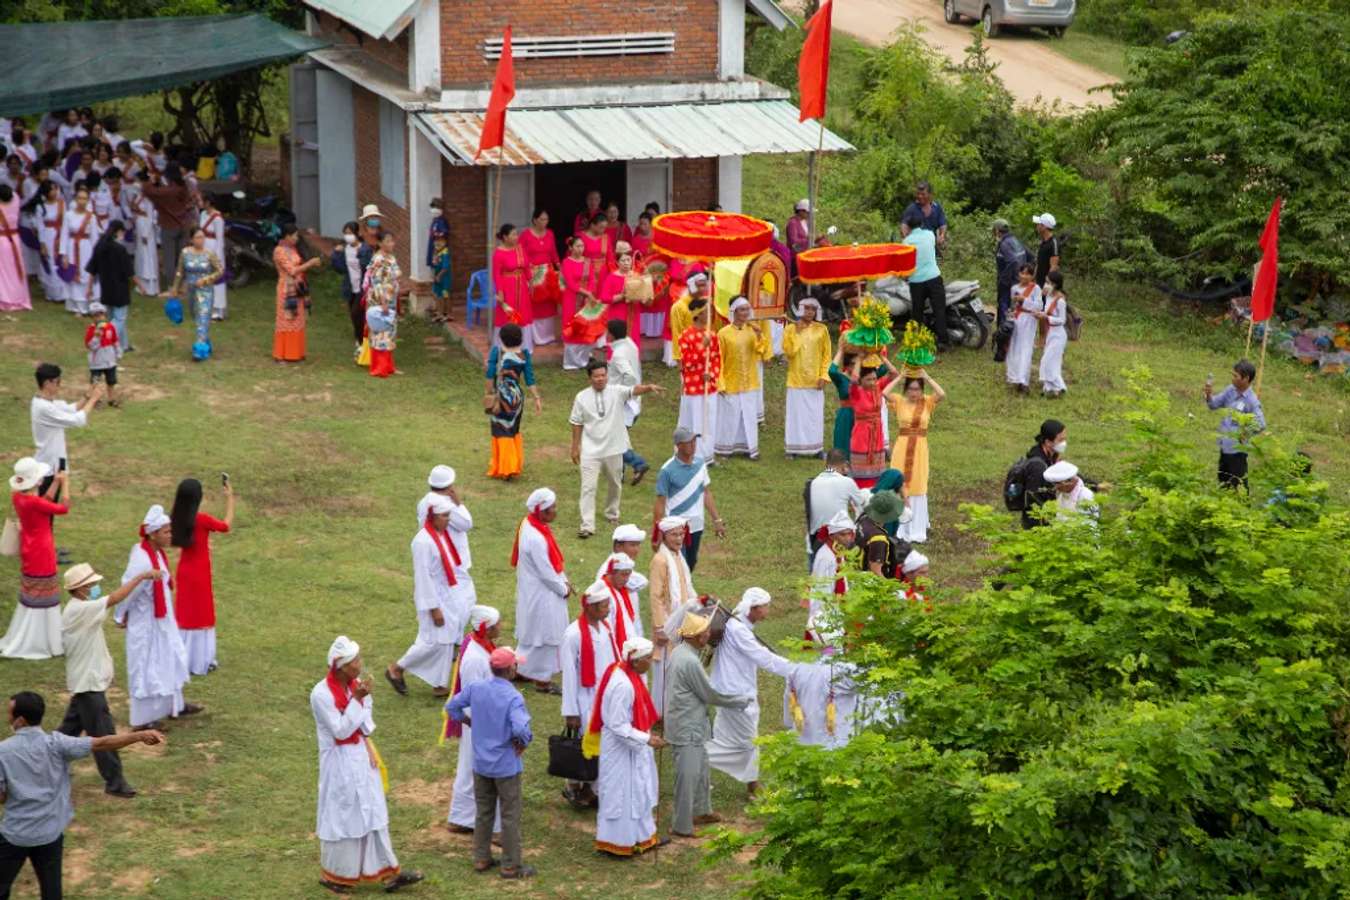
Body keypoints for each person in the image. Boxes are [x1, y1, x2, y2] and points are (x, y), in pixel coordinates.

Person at [0, 691, 163, 899]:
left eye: (9, 713)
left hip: (16, 835)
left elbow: (1, 796)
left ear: (20, 720)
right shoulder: (57, 744)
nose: (8, 718)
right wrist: (139, 736)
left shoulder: (3, 752)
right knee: (52, 890)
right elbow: (101, 743)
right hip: (50, 832)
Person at [312, 636, 423, 894]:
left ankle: (389, 872)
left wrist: (361, 699)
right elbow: (339, 731)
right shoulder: (320, 694)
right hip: (339, 763)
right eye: (355, 662)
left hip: (362, 755)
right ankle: (337, 875)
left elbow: (366, 725)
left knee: (373, 813)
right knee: (345, 815)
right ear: (340, 666)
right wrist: (357, 701)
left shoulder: (356, 686)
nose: (360, 665)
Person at [58, 562, 161, 797]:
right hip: (89, 686)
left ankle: (46, 765)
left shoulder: (82, 608)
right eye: (92, 585)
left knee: (66, 734)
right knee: (105, 737)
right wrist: (141, 577)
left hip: (86, 684)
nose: (95, 588)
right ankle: (115, 783)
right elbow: (114, 598)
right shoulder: (78, 610)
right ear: (81, 588)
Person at [445, 646, 535, 880]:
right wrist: (523, 741)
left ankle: (481, 857)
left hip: (481, 764)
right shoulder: (513, 697)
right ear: (511, 669)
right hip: (506, 766)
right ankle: (511, 865)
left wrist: (469, 722)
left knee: (483, 812)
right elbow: (520, 728)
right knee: (509, 814)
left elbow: (451, 707)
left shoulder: (476, 689)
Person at [665, 613, 751, 838]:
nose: (708, 633)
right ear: (693, 636)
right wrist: (739, 701)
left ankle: (702, 811)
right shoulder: (689, 661)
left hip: (692, 724)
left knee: (701, 770)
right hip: (687, 728)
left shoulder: (682, 653)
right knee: (688, 776)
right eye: (704, 631)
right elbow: (709, 694)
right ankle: (681, 825)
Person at [706, 588, 793, 795]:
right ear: (754, 608)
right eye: (766, 606)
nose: (768, 610)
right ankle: (753, 787)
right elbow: (763, 657)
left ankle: (698, 766)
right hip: (735, 693)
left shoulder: (738, 624)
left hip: (729, 689)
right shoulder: (739, 630)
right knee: (749, 740)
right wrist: (793, 669)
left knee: (727, 738)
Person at [585, 637, 666, 858]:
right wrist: (646, 739)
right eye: (648, 659)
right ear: (637, 661)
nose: (651, 662)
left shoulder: (631, 675)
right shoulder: (622, 684)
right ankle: (618, 842)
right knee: (622, 795)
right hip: (621, 749)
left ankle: (642, 837)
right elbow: (617, 724)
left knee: (638, 791)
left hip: (633, 744)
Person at [568, 359, 664, 539]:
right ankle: (587, 525)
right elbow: (576, 422)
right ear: (590, 378)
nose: (600, 379)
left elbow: (634, 390)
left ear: (607, 376)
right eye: (596, 376)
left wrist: (649, 387)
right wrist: (575, 446)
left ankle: (612, 513)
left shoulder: (616, 391)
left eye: (603, 375)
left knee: (615, 483)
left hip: (613, 448)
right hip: (590, 450)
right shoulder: (581, 397)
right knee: (588, 487)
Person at [386, 496, 463, 698]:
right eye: (445, 516)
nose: (448, 520)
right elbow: (423, 577)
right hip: (432, 597)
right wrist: (434, 607)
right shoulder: (422, 541)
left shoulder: (440, 535)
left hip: (446, 594)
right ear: (433, 517)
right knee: (431, 641)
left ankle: (439, 684)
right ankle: (396, 668)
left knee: (446, 640)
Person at [444, 605, 502, 838]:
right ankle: (489, 826)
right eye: (497, 624)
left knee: (469, 767)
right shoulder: (475, 659)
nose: (501, 627)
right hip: (480, 723)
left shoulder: (481, 647)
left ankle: (461, 817)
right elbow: (472, 696)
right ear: (486, 629)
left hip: (481, 721)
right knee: (482, 769)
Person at [2, 459, 69, 659]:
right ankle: (46, 639)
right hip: (43, 550)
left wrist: (55, 482)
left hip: (29, 548)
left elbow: (44, 502)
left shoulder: (19, 498)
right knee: (46, 593)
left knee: (32, 592)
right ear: (37, 481)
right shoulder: (34, 502)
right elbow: (63, 508)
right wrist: (65, 483)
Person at [560, 584, 618, 810]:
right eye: (604, 606)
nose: (608, 610)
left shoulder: (605, 627)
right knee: (586, 745)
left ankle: (592, 789)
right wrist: (571, 711)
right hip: (584, 698)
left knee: (603, 745)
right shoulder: (573, 634)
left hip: (605, 696)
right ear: (591, 607)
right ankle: (579, 788)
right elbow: (569, 675)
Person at [170, 477, 234, 676]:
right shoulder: (202, 520)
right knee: (202, 615)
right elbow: (226, 525)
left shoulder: (174, 520)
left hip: (184, 571)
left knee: (185, 614)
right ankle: (202, 660)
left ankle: (183, 657)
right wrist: (230, 498)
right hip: (200, 572)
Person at [511, 489, 572, 692]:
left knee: (532, 635)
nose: (556, 511)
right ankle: (542, 680)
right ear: (541, 512)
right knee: (546, 636)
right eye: (551, 508)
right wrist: (563, 588)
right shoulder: (535, 537)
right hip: (543, 593)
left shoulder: (530, 523)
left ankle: (520, 669)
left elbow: (550, 565)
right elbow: (546, 572)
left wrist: (563, 579)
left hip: (534, 590)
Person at [653, 426, 726, 573]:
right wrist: (658, 532)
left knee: (690, 564)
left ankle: (680, 593)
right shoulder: (667, 470)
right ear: (679, 445)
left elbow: (706, 493)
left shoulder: (700, 464)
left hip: (696, 526)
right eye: (689, 442)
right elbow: (660, 502)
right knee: (680, 567)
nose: (693, 445)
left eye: (694, 441)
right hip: (676, 528)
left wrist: (717, 520)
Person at [884, 370, 945, 543]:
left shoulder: (927, 402)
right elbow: (884, 393)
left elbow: (941, 394)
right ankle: (899, 527)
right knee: (899, 480)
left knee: (918, 483)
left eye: (917, 389)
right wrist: (901, 376)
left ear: (921, 390)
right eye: (910, 389)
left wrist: (927, 377)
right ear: (906, 390)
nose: (914, 393)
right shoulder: (899, 401)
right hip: (902, 446)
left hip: (919, 448)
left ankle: (917, 527)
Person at [30, 363, 102, 509]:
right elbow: (76, 420)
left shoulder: (45, 402)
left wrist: (87, 396)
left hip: (52, 463)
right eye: (57, 382)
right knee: (46, 510)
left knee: (49, 510)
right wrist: (93, 400)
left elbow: (70, 409)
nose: (59, 385)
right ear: (47, 383)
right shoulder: (44, 407)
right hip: (47, 467)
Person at [647, 516, 696, 715]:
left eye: (681, 534)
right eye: (674, 535)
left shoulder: (677, 557)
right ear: (665, 536)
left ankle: (673, 710)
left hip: (681, 620)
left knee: (677, 668)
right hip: (667, 623)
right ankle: (661, 713)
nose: (678, 539)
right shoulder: (660, 560)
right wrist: (660, 627)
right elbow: (656, 596)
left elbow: (686, 586)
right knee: (665, 671)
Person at [715, 297, 772, 460]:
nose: (745, 312)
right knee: (730, 416)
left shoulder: (753, 330)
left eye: (747, 309)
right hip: (730, 381)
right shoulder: (723, 333)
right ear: (734, 312)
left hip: (750, 381)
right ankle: (726, 449)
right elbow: (718, 360)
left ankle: (751, 450)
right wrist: (720, 382)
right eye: (742, 309)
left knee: (748, 416)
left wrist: (760, 335)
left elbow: (762, 351)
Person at [1204, 359, 1266, 491]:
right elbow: (1214, 404)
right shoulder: (1231, 390)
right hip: (1224, 446)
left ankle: (1244, 508)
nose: (1233, 378)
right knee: (1223, 482)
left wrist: (1245, 434)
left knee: (1239, 485)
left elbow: (1261, 423)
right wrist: (1209, 395)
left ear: (1246, 378)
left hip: (1237, 451)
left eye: (1236, 376)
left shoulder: (1251, 401)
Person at [782, 297, 833, 458]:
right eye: (806, 308)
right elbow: (789, 352)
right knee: (795, 415)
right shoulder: (790, 329)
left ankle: (816, 449)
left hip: (815, 381)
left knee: (814, 416)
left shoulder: (822, 329)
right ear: (799, 309)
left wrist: (824, 376)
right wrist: (797, 332)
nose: (809, 312)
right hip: (796, 380)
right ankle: (793, 449)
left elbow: (827, 355)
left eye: (812, 309)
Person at [164, 226, 223, 361]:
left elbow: (220, 270)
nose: (201, 240)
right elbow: (180, 271)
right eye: (198, 237)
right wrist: (175, 288)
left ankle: (199, 351)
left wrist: (206, 279)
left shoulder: (209, 254)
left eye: (203, 237)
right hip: (191, 291)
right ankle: (205, 342)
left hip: (205, 291)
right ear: (191, 239)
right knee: (197, 318)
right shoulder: (185, 253)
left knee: (203, 316)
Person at [842, 354, 900, 488]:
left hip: (877, 433)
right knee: (861, 470)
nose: (873, 382)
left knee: (877, 469)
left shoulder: (878, 388)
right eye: (869, 379)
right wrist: (859, 361)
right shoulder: (856, 391)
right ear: (861, 381)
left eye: (874, 378)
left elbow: (894, 373)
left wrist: (883, 357)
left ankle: (875, 494)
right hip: (862, 434)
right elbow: (854, 379)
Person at [676, 299, 721, 462]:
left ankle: (708, 453)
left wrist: (712, 374)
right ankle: (693, 454)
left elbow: (716, 358)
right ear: (697, 314)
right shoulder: (685, 336)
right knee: (695, 420)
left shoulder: (712, 335)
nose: (709, 315)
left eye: (710, 311)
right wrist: (703, 347)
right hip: (693, 386)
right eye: (705, 311)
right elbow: (686, 361)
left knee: (709, 419)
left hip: (709, 385)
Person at [605, 319, 650, 485]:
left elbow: (629, 376)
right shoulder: (630, 344)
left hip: (623, 404)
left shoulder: (618, 355)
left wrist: (622, 394)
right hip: (633, 401)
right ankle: (619, 473)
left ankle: (638, 463)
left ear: (611, 334)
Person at [804, 449, 866, 566]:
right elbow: (863, 505)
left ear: (825, 464)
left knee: (816, 582)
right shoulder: (847, 482)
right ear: (845, 465)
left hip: (814, 542)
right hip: (839, 541)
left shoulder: (812, 483)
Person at [86, 223, 139, 359]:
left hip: (106, 289)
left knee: (114, 317)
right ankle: (106, 338)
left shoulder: (99, 247)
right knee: (119, 319)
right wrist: (141, 286)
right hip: (120, 289)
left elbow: (92, 270)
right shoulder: (120, 249)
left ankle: (124, 345)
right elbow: (129, 272)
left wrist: (89, 287)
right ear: (118, 232)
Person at [273, 223, 321, 364]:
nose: (296, 238)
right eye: (294, 235)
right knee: (286, 319)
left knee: (298, 319)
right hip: (286, 288)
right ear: (287, 236)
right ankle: (281, 354)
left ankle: (296, 353)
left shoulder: (292, 248)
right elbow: (292, 270)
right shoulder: (279, 251)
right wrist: (310, 263)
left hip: (297, 287)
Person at [902, 211, 950, 349]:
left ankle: (917, 341)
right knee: (939, 310)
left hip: (916, 282)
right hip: (934, 278)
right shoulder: (930, 235)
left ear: (909, 227)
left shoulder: (906, 242)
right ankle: (943, 342)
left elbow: (906, 264)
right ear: (921, 224)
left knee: (917, 312)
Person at [141, 163, 192, 286]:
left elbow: (147, 190)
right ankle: (183, 284)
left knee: (169, 259)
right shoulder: (183, 188)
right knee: (182, 257)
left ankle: (172, 286)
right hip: (183, 226)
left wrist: (152, 181)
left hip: (169, 227)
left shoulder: (167, 192)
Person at [559, 235, 604, 370]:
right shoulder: (566, 262)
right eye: (578, 246)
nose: (580, 249)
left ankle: (584, 359)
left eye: (582, 246)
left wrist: (589, 292)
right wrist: (586, 293)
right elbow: (570, 283)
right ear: (571, 248)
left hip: (586, 298)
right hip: (572, 297)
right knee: (572, 325)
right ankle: (571, 362)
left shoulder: (587, 262)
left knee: (585, 326)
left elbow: (591, 280)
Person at [520, 208, 560, 345]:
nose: (545, 222)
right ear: (535, 220)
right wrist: (527, 272)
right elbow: (521, 254)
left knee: (548, 303)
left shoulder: (550, 234)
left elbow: (553, 252)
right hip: (533, 274)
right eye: (542, 219)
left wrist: (559, 267)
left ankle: (548, 336)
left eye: (546, 219)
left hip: (548, 273)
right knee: (534, 304)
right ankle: (535, 337)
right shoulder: (525, 235)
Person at [364, 231, 402, 377]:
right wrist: (383, 302)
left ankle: (389, 366)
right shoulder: (378, 259)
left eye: (392, 240)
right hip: (381, 300)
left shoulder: (391, 258)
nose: (391, 243)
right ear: (380, 243)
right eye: (388, 241)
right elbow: (377, 283)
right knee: (381, 333)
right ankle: (380, 368)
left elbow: (396, 275)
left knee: (390, 332)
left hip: (391, 298)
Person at [58, 184, 100, 314]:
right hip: (72, 247)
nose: (82, 201)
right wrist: (63, 253)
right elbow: (64, 234)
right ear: (75, 199)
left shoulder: (91, 217)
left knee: (86, 273)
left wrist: (96, 255)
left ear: (88, 200)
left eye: (85, 198)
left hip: (86, 248)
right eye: (80, 198)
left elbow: (95, 237)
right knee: (74, 274)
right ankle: (76, 306)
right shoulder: (69, 215)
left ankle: (88, 304)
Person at [330, 221, 372, 352]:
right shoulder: (345, 249)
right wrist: (336, 255)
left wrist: (359, 254)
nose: (347, 236)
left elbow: (367, 267)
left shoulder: (365, 249)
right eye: (345, 234)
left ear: (357, 233)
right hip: (350, 287)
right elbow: (340, 268)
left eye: (350, 233)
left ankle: (361, 342)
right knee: (355, 316)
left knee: (356, 314)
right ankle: (360, 340)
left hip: (362, 287)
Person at [808, 510, 855, 623]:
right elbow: (822, 590)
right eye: (843, 534)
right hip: (826, 613)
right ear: (832, 536)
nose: (848, 538)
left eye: (849, 533)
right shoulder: (826, 557)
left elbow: (843, 580)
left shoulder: (838, 551)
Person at [1020, 418, 1068, 529]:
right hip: (1037, 522)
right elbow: (1033, 496)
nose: (1064, 443)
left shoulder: (1052, 457)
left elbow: (1069, 474)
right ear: (1048, 442)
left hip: (1048, 516)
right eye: (1060, 440)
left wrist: (1095, 486)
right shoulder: (1037, 466)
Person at [492, 223, 532, 351]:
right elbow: (496, 274)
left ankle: (524, 346)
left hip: (522, 286)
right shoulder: (498, 253)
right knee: (507, 314)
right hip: (507, 286)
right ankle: (504, 346)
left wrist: (530, 281)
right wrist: (500, 291)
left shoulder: (520, 248)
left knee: (523, 314)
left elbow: (526, 266)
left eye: (516, 234)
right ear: (505, 237)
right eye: (513, 234)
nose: (516, 237)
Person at [1005, 264, 1042, 392]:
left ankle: (1023, 380)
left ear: (1032, 276)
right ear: (1019, 274)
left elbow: (1039, 306)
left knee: (1026, 349)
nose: (1024, 276)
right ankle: (1014, 376)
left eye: (1028, 274)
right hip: (1017, 319)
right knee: (1015, 348)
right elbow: (1012, 306)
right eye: (1023, 273)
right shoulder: (1014, 288)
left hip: (1029, 320)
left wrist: (1024, 300)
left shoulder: (1036, 288)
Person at [81, 302, 121, 408]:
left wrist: (118, 351)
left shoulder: (110, 327)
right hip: (97, 362)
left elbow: (115, 340)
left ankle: (111, 399)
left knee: (111, 381)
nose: (99, 318)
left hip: (110, 361)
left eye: (101, 314)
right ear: (92, 317)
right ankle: (96, 400)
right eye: (95, 315)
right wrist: (96, 337)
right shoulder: (91, 330)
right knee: (95, 382)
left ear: (105, 315)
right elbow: (90, 346)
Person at [126, 171, 158, 303]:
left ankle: (151, 286)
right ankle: (142, 285)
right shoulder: (137, 197)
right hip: (139, 227)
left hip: (146, 228)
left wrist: (146, 233)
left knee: (148, 256)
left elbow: (151, 217)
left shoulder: (148, 199)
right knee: (141, 256)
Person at [1036, 270, 1069, 397]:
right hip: (1050, 333)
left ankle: (1060, 387)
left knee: (1047, 361)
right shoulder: (1049, 297)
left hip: (1058, 335)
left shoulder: (1060, 300)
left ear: (1054, 284)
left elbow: (1062, 320)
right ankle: (1050, 389)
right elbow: (1045, 311)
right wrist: (1040, 314)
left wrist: (1047, 318)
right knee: (1052, 362)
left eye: (1048, 282)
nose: (1045, 285)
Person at [667, 271, 710, 368]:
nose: (703, 289)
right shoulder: (679, 307)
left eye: (704, 285)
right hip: (689, 354)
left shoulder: (707, 303)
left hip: (706, 352)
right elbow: (677, 334)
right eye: (700, 286)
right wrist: (679, 359)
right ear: (691, 286)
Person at [992, 218, 1029, 331]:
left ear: (998, 230)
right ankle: (1011, 334)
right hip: (1019, 282)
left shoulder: (1004, 244)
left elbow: (1013, 261)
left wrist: (1003, 279)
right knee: (1013, 309)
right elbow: (1031, 257)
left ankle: (1003, 336)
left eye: (994, 230)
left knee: (1004, 308)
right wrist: (1026, 276)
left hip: (1008, 283)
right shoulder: (1016, 241)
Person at [0, 184, 30, 312]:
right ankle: (18, 297)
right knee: (16, 270)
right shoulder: (16, 199)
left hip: (2, 240)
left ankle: (6, 298)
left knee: (4, 273)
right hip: (15, 240)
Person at [198, 194, 227, 319]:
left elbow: (220, 240)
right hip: (204, 247)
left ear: (208, 202)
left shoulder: (218, 218)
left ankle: (218, 310)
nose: (199, 203)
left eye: (202, 200)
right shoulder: (203, 214)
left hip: (214, 249)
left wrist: (218, 259)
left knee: (217, 281)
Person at [900, 180, 949, 247]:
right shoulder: (911, 208)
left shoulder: (937, 208)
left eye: (923, 194)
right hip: (915, 245)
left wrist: (942, 236)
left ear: (930, 194)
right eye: (918, 194)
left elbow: (942, 224)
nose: (920, 196)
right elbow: (904, 225)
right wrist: (906, 239)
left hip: (932, 245)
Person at [1032, 212, 1060, 290]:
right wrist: (1033, 278)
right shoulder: (1043, 242)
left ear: (1044, 227)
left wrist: (1047, 285)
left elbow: (1054, 267)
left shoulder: (1053, 243)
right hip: (1039, 282)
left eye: (1038, 224)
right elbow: (1039, 262)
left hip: (1046, 285)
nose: (1036, 226)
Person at [786, 199, 810, 267]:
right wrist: (808, 240)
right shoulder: (793, 223)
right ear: (801, 211)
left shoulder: (805, 222)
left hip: (805, 253)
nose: (809, 214)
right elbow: (794, 242)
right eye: (807, 212)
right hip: (795, 257)